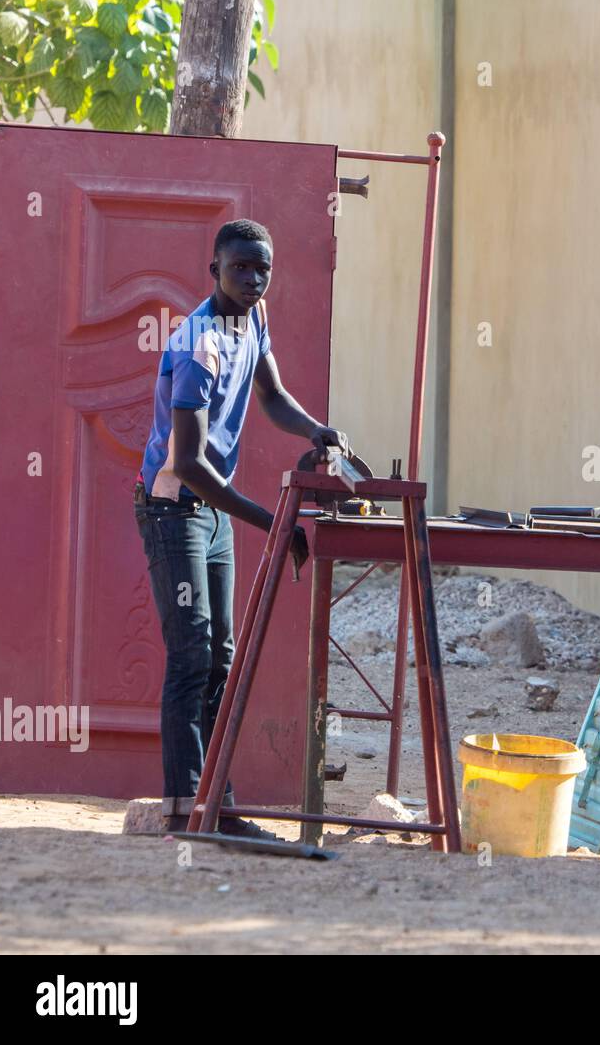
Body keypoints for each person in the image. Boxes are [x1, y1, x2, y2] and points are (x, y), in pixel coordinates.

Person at [134, 219, 350, 837]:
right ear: (215, 272)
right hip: (176, 506)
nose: (253, 280)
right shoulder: (198, 343)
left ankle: (217, 804)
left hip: (211, 508)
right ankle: (186, 815)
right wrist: (276, 522)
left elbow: (274, 396)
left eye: (263, 270)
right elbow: (190, 463)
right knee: (191, 657)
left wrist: (318, 430)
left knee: (221, 658)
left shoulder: (251, 321)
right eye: (240, 269)